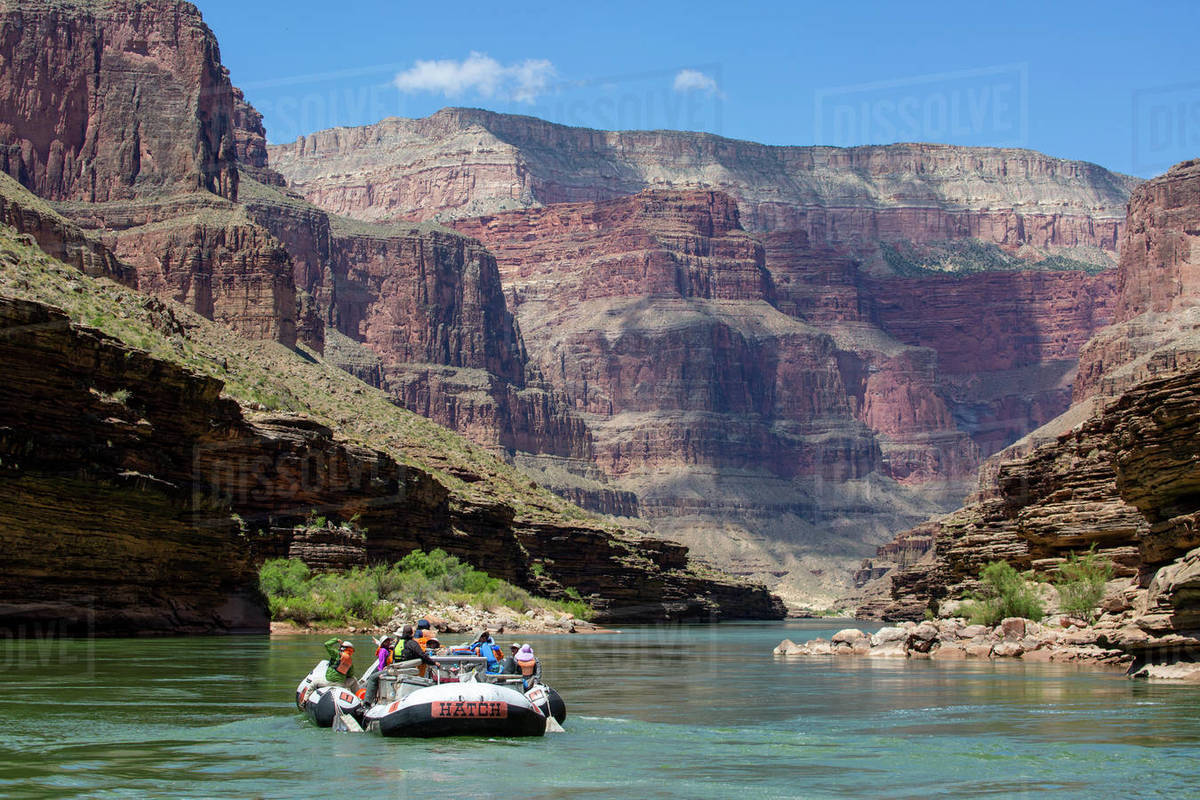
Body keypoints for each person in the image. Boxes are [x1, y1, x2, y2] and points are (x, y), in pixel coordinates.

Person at [363, 636, 396, 704]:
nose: (387, 642)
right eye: (385, 641)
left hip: (388, 669)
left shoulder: (388, 649)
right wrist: (381, 672)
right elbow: (381, 663)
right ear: (383, 643)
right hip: (383, 669)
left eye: (388, 641)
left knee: (372, 678)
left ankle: (369, 700)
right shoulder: (383, 651)